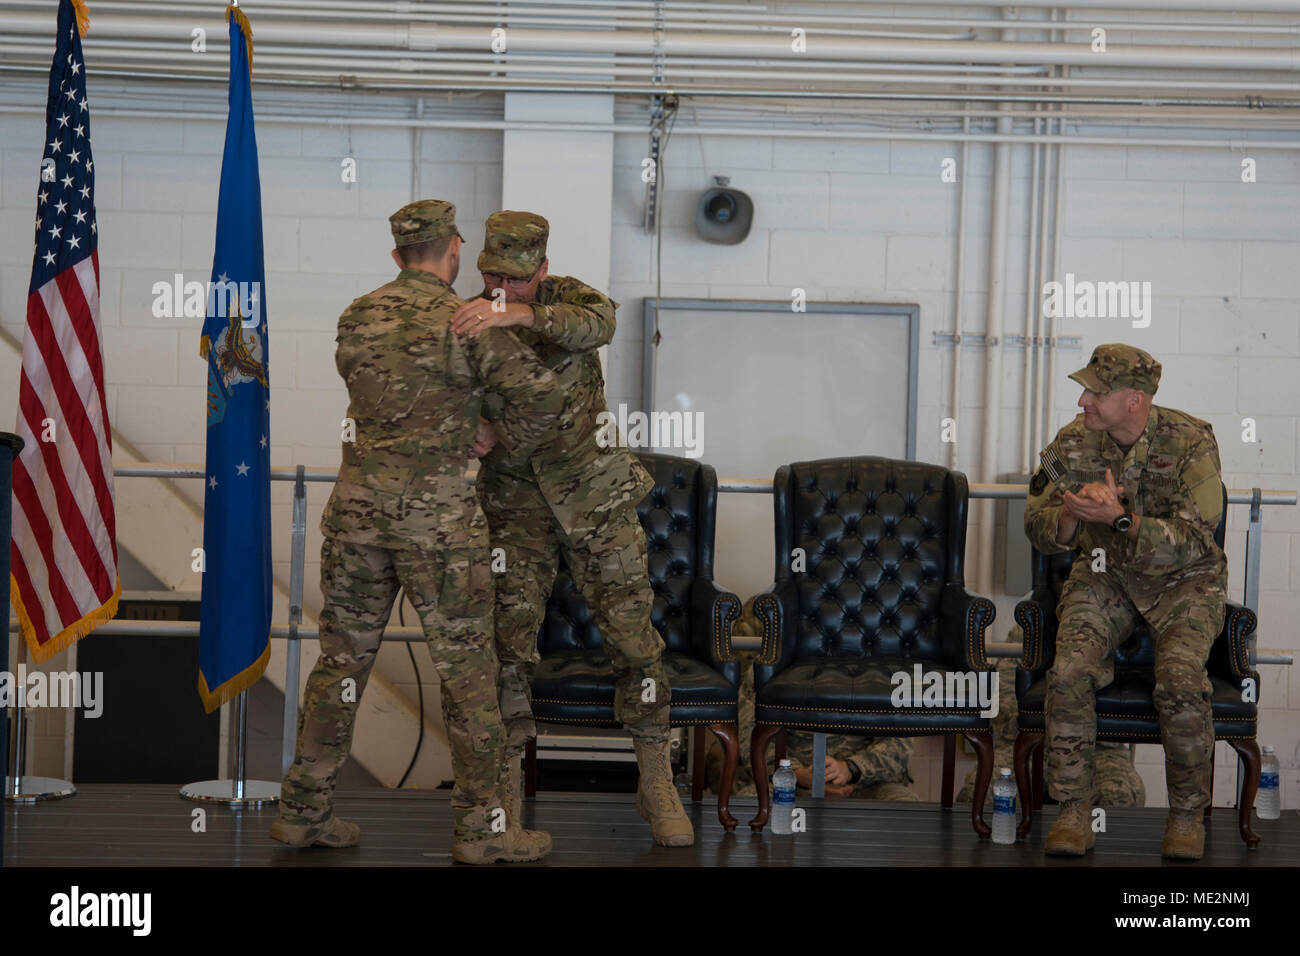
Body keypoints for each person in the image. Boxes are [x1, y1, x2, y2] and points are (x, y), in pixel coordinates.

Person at [271, 200, 565, 864]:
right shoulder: (468, 320)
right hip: (439, 526)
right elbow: (545, 397)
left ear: (397, 254)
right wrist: (490, 435)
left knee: (340, 668)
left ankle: (302, 811)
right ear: (454, 249)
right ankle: (484, 830)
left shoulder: (358, 313)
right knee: (468, 675)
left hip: (357, 519)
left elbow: (373, 386)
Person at [449, 210, 692, 847]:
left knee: (636, 642)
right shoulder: (465, 320)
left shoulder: (569, 301)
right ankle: (504, 798)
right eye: (493, 277)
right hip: (512, 512)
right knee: (505, 650)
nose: (504, 289)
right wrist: (464, 426)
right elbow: (439, 395)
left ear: (543, 271)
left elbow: (602, 324)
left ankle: (655, 777)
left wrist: (520, 315)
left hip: (594, 500)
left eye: (519, 279)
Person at [1025, 343, 1225, 860]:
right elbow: (1036, 524)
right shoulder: (1068, 444)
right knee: (1068, 672)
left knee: (1181, 681)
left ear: (1135, 399)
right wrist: (1069, 517)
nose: (1083, 402)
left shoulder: (1192, 442)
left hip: (1184, 581)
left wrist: (1119, 518)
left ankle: (1186, 817)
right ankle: (1073, 811)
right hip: (1104, 575)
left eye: (1096, 391)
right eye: (1085, 389)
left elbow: (1195, 538)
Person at [706, 599, 918, 802]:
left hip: (866, 785)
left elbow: (900, 741)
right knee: (748, 806)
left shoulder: (885, 668)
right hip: (787, 782)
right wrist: (796, 773)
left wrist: (850, 768)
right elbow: (750, 736)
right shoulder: (768, 667)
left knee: (907, 809)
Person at [955, 626, 1145, 810]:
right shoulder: (1029, 630)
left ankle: (1098, 839)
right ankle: (996, 841)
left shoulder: (1109, 630)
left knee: (1119, 794)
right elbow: (1005, 701)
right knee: (978, 791)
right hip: (1025, 744)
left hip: (1096, 750)